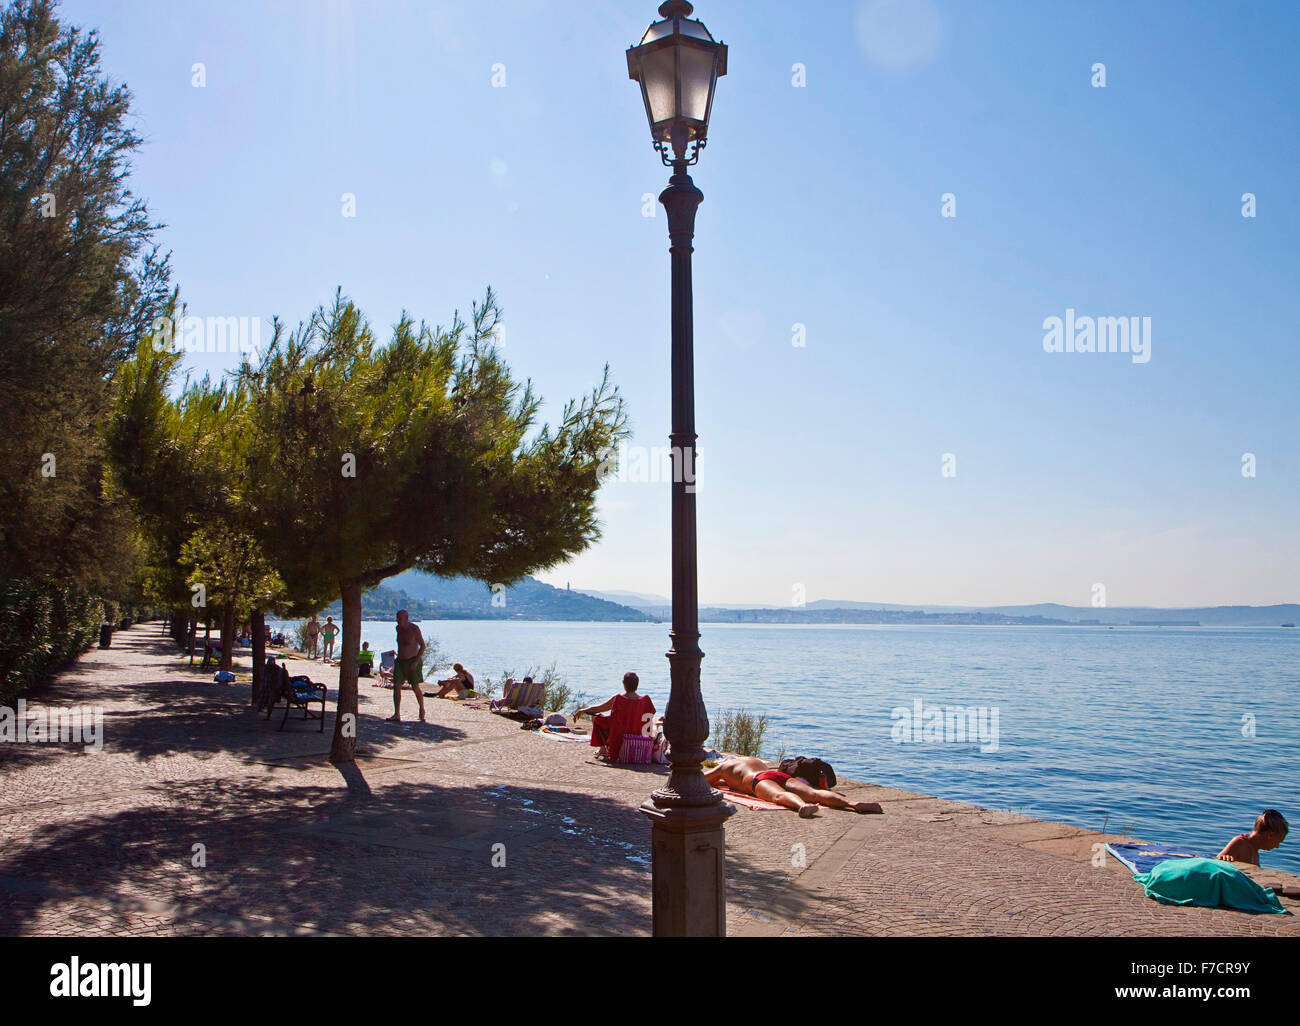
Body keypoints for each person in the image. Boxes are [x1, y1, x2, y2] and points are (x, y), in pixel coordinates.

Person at [704, 756, 883, 818]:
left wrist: (720, 779)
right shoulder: (752, 761)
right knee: (814, 793)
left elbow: (703, 780)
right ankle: (853, 803)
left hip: (758, 780)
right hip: (779, 775)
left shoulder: (726, 767)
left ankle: (801, 806)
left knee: (778, 796)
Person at [574, 672, 655, 762]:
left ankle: (603, 749)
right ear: (637, 685)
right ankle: (604, 749)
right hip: (638, 738)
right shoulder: (646, 701)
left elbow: (598, 708)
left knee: (596, 717)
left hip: (619, 737)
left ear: (624, 684)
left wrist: (583, 710)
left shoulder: (618, 699)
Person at [387, 610, 427, 722]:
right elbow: (401, 644)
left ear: (406, 618)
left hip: (413, 660)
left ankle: (422, 709)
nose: (397, 620)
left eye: (399, 618)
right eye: (397, 618)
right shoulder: (398, 628)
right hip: (400, 661)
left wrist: (416, 661)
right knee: (397, 686)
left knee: (415, 686)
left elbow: (423, 646)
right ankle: (396, 714)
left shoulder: (414, 629)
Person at [1216, 809, 1289, 866]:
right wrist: (1224, 858)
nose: (1277, 846)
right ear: (1270, 835)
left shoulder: (1254, 849)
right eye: (1278, 842)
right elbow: (1217, 862)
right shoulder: (1240, 843)